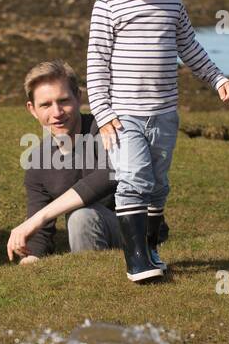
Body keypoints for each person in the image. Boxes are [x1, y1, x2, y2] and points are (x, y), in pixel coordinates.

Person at [86, 0, 229, 282]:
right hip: (125, 117)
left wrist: (216, 77)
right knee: (134, 178)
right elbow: (96, 63)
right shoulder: (109, 4)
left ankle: (151, 247)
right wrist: (103, 114)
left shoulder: (171, 4)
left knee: (157, 184)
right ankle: (135, 258)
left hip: (165, 114)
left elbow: (190, 47)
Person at [8, 59, 162, 263]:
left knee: (81, 216)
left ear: (78, 97)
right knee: (78, 216)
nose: (56, 113)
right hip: (98, 237)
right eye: (45, 105)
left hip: (140, 232)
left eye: (63, 100)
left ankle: (94, 284)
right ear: (32, 109)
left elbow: (110, 173)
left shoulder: (107, 127)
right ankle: (90, 282)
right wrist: (30, 259)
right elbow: (40, 236)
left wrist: (38, 218)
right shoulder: (37, 161)